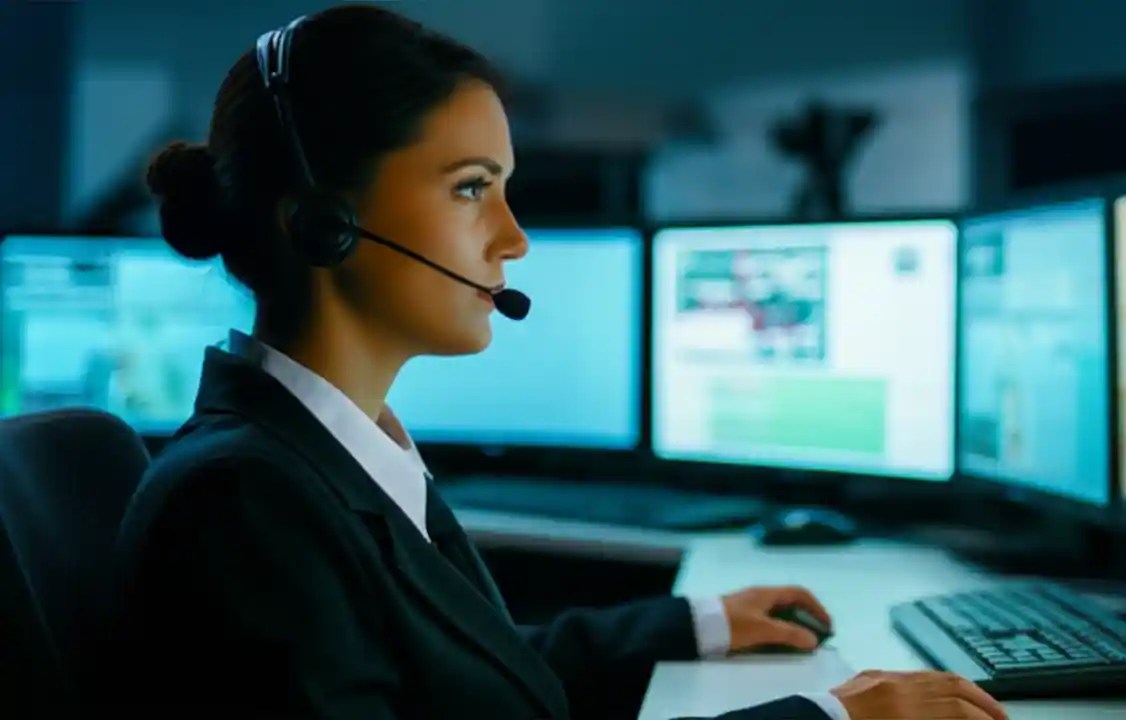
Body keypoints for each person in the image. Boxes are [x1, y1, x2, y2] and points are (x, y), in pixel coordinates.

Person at [111, 5, 1008, 720]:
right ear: (323, 221)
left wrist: (696, 622)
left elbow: (477, 682)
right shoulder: (241, 507)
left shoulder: (332, 453)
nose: (515, 239)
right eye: (471, 189)